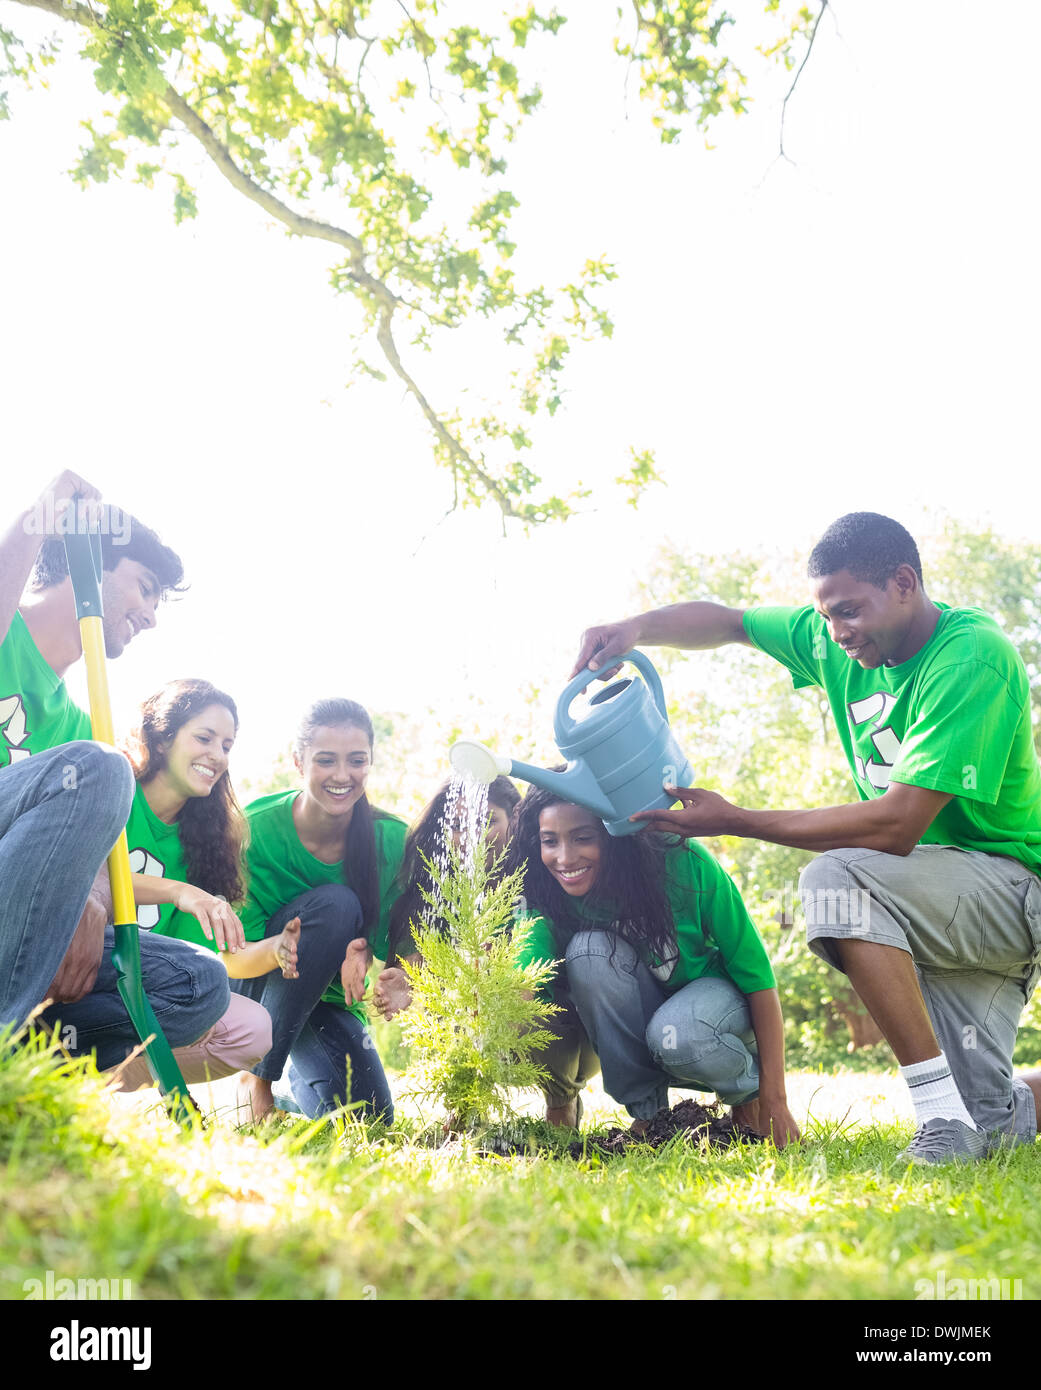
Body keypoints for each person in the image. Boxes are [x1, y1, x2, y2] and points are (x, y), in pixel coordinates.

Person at [573, 511, 1041, 1164]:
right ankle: (990, 1108)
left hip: (1007, 891)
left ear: (904, 582)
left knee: (832, 880)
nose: (834, 633)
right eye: (825, 616)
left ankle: (938, 1121)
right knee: (994, 1122)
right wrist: (637, 628)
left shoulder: (971, 656)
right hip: (922, 896)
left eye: (848, 612)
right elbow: (731, 622)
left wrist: (734, 819)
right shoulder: (831, 639)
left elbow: (895, 824)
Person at [0, 472, 230, 1072]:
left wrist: (92, 901)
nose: (151, 616)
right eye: (144, 588)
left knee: (199, 982)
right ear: (87, 565)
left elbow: (100, 865)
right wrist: (43, 515)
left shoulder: (80, 726)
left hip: (18, 925)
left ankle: (20, 1063)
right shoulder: (8, 635)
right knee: (99, 768)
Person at [505, 782, 799, 1143]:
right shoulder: (544, 890)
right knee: (588, 951)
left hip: (719, 1006)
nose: (564, 858)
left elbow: (758, 978)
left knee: (678, 1035)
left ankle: (746, 1096)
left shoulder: (683, 861)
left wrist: (775, 1099)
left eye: (582, 838)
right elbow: (525, 970)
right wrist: (494, 1015)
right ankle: (650, 1117)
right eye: (550, 841)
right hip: (652, 1017)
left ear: (613, 834)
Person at [112, 679, 304, 1091]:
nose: (217, 755)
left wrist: (274, 950)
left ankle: (103, 1071)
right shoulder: (112, 791)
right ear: (162, 739)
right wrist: (178, 892)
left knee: (252, 1029)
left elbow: (223, 959)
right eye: (204, 738)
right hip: (75, 967)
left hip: (137, 990)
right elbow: (78, 885)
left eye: (227, 745)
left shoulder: (207, 843)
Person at [233, 699, 407, 1122]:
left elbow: (393, 938)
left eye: (357, 761)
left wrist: (361, 950)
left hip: (325, 1003)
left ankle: (292, 1105)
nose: (342, 775)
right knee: (337, 903)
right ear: (299, 761)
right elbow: (234, 955)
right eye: (326, 760)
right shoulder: (254, 830)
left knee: (371, 1120)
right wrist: (279, 946)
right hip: (256, 991)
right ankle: (257, 1082)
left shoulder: (391, 839)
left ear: (370, 762)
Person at [374, 774, 521, 1020]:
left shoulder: (535, 884)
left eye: (486, 821)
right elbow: (421, 959)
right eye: (457, 826)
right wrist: (408, 978)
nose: (472, 837)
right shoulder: (438, 897)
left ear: (515, 822)